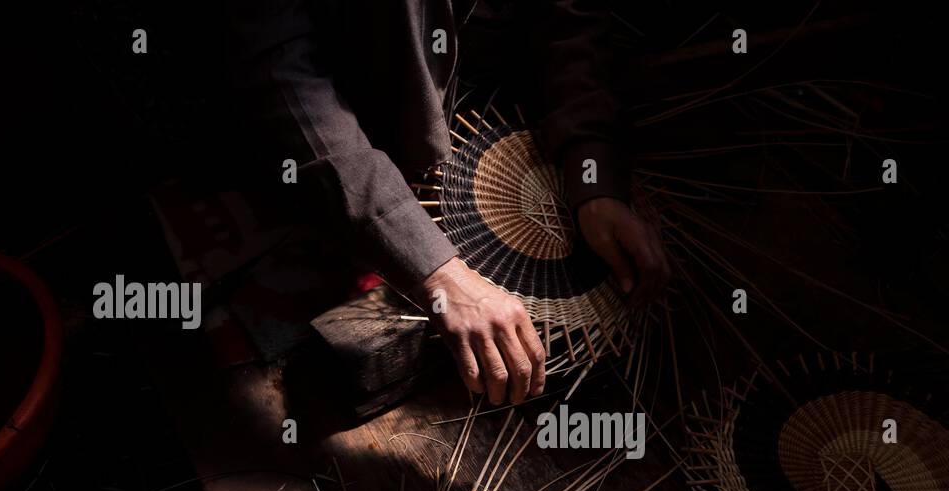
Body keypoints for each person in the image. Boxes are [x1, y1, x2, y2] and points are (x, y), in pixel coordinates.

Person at [233, 0, 669, 405]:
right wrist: (437, 274)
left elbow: (567, 19)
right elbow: (281, 79)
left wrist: (591, 169)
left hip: (505, 119)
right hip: (367, 141)